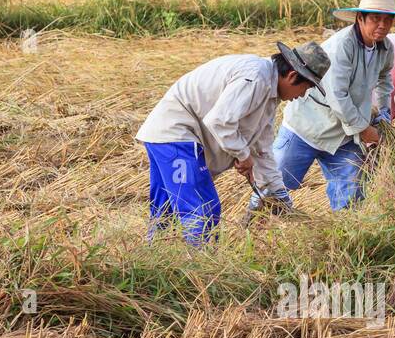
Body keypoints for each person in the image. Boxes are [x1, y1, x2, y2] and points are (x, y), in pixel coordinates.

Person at [246, 0, 395, 215]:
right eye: (375, 19)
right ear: (360, 18)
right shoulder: (342, 47)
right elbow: (338, 97)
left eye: (387, 20)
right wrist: (365, 129)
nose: (382, 26)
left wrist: (384, 113)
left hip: (343, 136)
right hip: (306, 127)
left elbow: (384, 79)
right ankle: (255, 228)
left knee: (352, 197)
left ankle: (346, 240)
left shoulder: (385, 48)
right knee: (273, 189)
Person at [135, 41, 329, 243]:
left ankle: (154, 262)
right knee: (202, 210)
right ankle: (202, 271)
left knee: (165, 210)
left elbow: (262, 149)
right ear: (292, 76)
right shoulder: (255, 78)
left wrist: (277, 192)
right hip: (175, 134)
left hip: (169, 137)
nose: (302, 95)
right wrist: (243, 156)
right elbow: (219, 121)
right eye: (307, 87)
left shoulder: (269, 95)